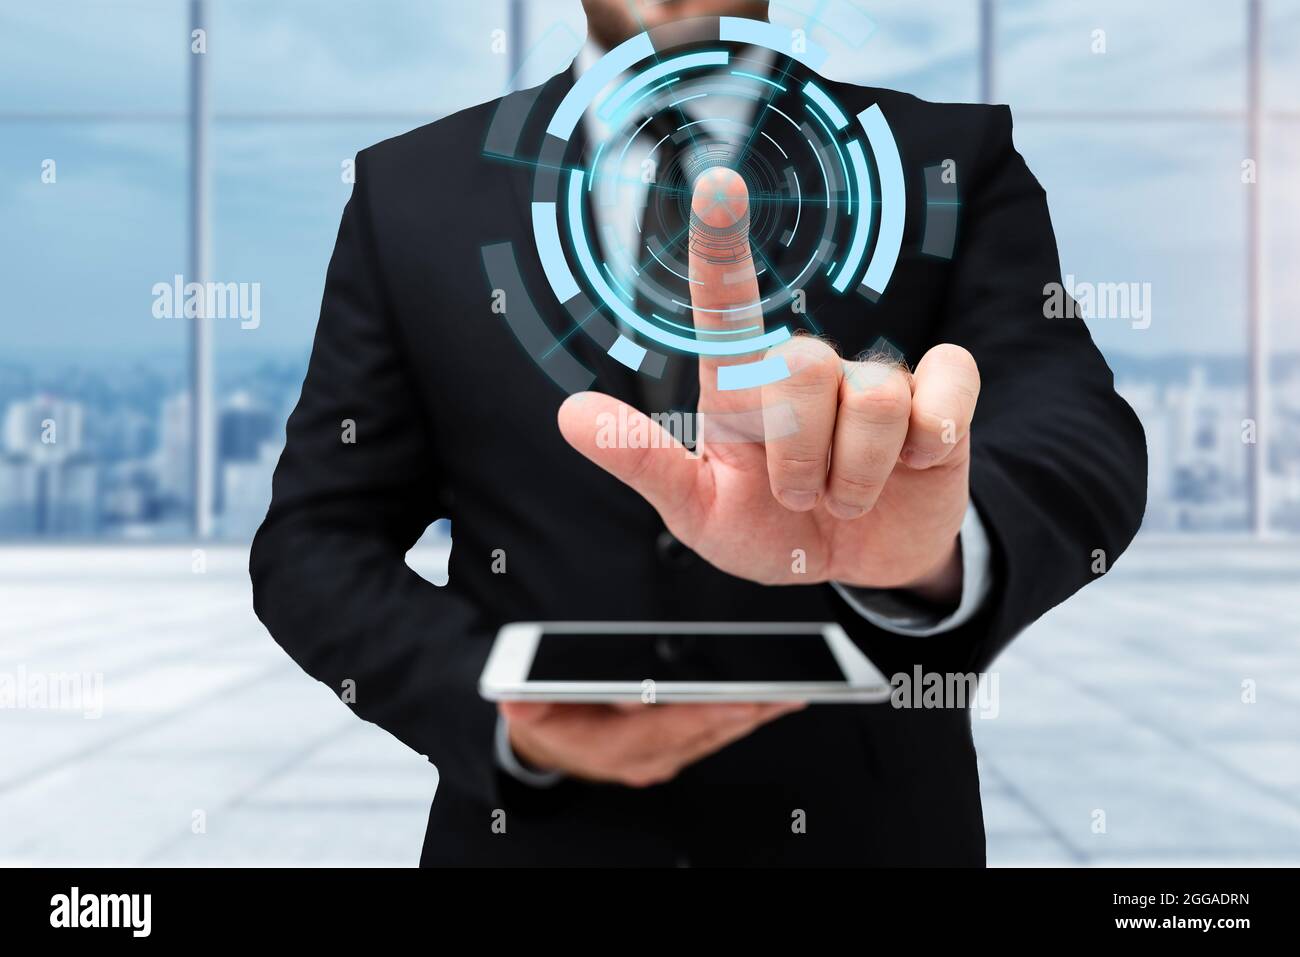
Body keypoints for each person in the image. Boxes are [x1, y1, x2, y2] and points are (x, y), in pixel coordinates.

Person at [250, 0, 1147, 866]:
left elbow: (1079, 432)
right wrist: (501, 710)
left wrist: (936, 550)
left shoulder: (946, 162)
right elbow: (315, 540)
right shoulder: (410, 191)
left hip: (869, 836)